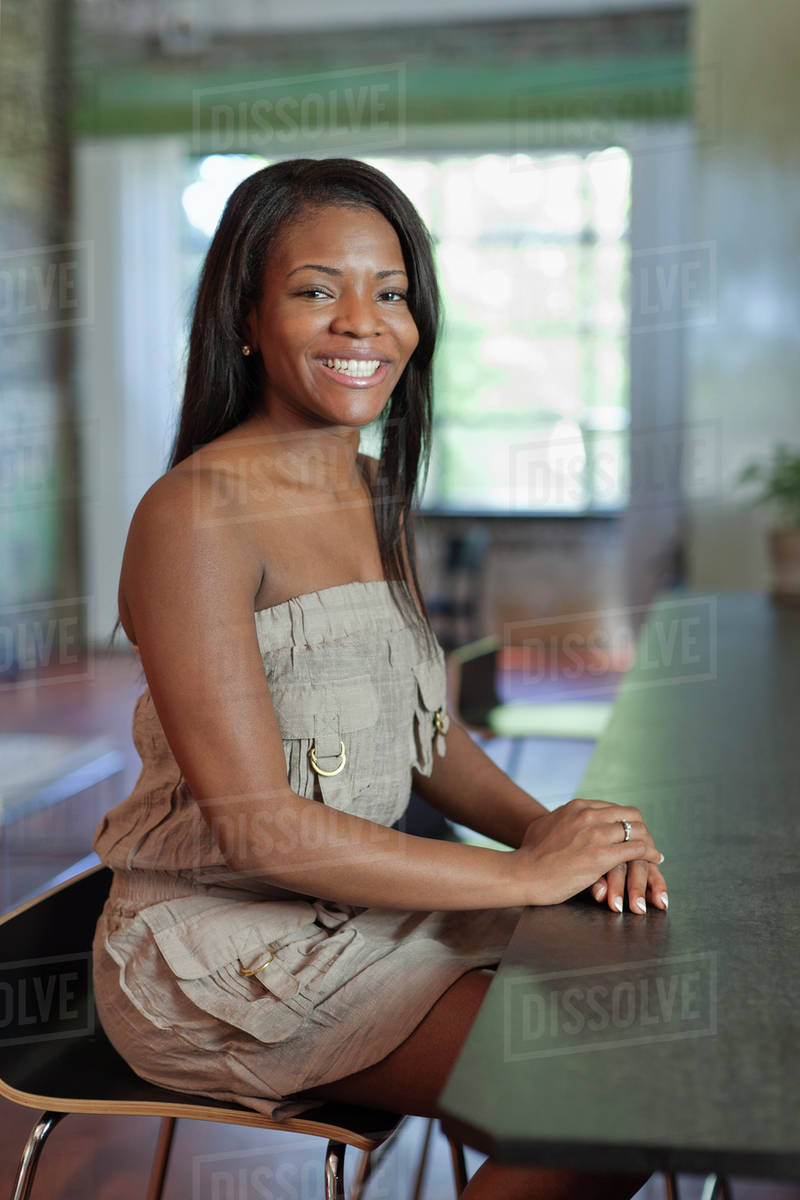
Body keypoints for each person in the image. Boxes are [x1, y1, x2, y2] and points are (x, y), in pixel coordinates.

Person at [93, 157, 667, 1199]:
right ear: (245, 319)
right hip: (228, 955)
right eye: (317, 290)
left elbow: (424, 735)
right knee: (605, 1103)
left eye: (390, 293)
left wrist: (545, 834)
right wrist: (523, 878)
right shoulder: (192, 516)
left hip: (364, 907)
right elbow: (257, 830)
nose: (363, 323)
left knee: (646, 1006)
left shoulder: (371, 488)